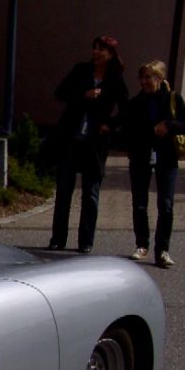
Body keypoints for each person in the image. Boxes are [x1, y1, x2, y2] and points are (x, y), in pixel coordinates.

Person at [48, 36, 129, 253]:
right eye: (94, 48)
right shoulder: (80, 71)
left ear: (110, 54)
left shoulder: (115, 79)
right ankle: (58, 238)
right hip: (71, 139)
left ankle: (85, 242)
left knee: (91, 194)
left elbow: (125, 110)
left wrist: (109, 125)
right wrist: (84, 95)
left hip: (94, 144)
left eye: (101, 50)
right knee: (64, 190)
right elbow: (60, 93)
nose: (95, 52)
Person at [122, 60, 185, 269]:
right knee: (140, 203)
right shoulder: (136, 103)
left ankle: (162, 250)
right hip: (141, 158)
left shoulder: (173, 99)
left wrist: (169, 125)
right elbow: (128, 129)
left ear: (159, 79)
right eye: (142, 77)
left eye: (148, 77)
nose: (144, 81)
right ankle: (141, 244)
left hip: (167, 158)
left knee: (166, 205)